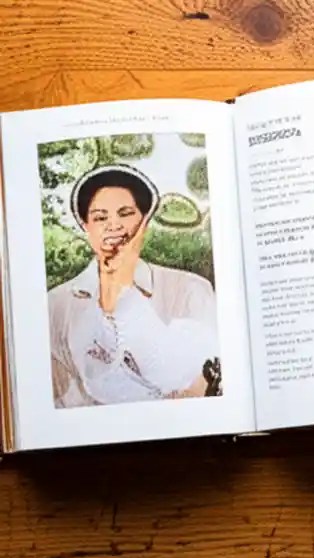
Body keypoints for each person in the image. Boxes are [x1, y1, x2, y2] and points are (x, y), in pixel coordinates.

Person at [47, 164, 219, 408]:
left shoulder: (191, 289)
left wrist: (124, 286)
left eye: (126, 213)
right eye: (100, 217)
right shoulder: (55, 304)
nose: (113, 225)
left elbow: (201, 387)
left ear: (144, 221)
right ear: (86, 227)